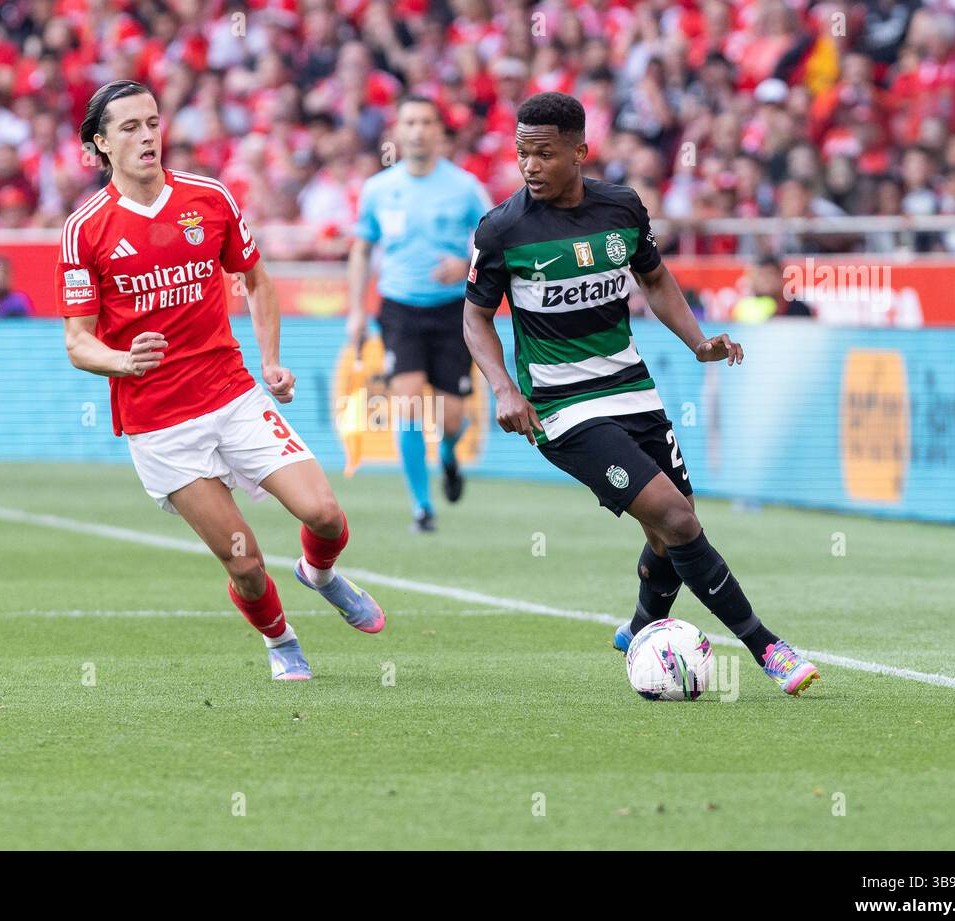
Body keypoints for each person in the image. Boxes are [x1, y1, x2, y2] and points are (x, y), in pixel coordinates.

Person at [462, 92, 820, 697]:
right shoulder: (503, 229)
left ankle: (642, 626)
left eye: (544, 154)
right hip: (560, 409)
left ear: (579, 152)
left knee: (669, 529)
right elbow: (474, 318)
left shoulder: (622, 208)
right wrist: (502, 387)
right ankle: (768, 648)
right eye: (522, 154)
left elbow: (654, 278)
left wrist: (698, 342)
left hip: (632, 390)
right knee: (678, 519)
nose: (529, 167)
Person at [57, 80, 385, 682]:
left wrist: (271, 360)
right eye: (128, 128)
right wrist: (123, 361)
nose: (147, 136)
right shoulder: (86, 229)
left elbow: (256, 280)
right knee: (246, 563)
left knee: (326, 515)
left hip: (231, 394)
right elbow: (77, 342)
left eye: (153, 122)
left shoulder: (208, 197)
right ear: (100, 144)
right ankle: (281, 640)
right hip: (158, 422)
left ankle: (321, 574)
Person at [347, 96, 492, 532]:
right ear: (397, 130)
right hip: (399, 309)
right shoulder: (378, 188)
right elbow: (361, 248)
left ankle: (448, 454)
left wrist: (467, 264)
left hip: (452, 311)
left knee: (449, 419)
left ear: (440, 132)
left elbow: (493, 240)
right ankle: (422, 507)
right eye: (409, 122)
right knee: (408, 406)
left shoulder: (465, 187)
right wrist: (356, 311)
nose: (417, 130)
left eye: (427, 122)